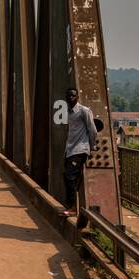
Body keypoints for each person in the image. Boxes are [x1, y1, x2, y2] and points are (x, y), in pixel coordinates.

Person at [61, 87, 102, 220]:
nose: (71, 98)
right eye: (69, 96)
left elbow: (93, 130)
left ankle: (73, 208)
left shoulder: (84, 111)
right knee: (69, 177)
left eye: (73, 96)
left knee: (69, 176)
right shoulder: (68, 112)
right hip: (70, 150)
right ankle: (70, 205)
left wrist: (91, 146)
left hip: (80, 149)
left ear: (78, 97)